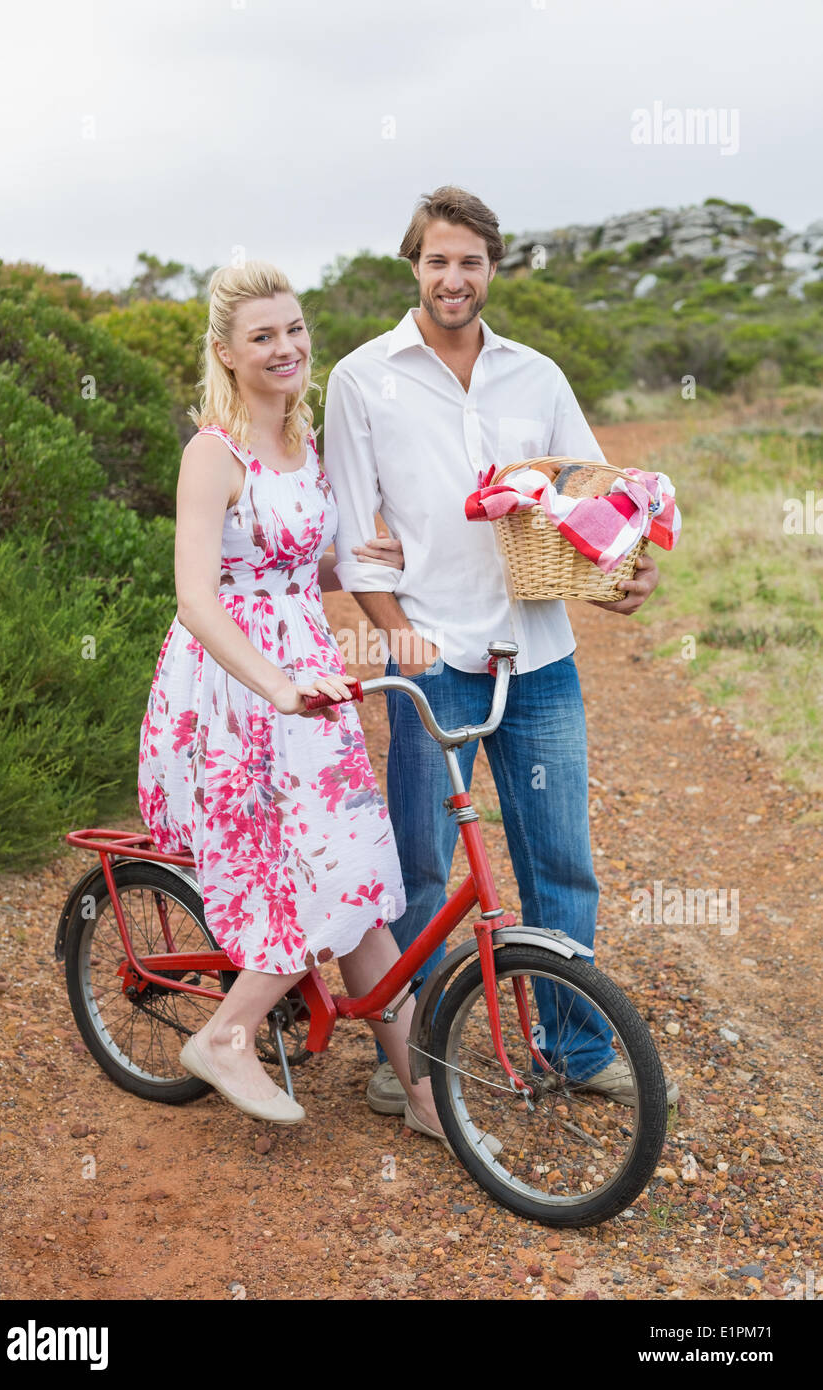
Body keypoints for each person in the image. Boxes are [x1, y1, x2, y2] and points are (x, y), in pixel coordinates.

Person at [322, 185, 679, 1116]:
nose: (454, 278)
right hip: (431, 657)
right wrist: (394, 628)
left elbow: (605, 504)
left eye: (470, 262)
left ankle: (575, 1044)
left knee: (561, 860)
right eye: (438, 260)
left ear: (491, 269)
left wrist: (632, 574)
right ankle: (409, 1056)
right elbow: (357, 537)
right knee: (422, 866)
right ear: (415, 265)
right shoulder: (363, 379)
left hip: (541, 657)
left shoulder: (538, 376)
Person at [136, 260, 452, 1143]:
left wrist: (401, 569)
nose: (286, 348)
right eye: (263, 337)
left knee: (357, 872)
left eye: (294, 330)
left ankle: (427, 1100)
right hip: (240, 692)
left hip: (311, 679)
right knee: (319, 872)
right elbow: (197, 596)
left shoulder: (302, 443)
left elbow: (292, 566)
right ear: (227, 354)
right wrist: (274, 687)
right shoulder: (213, 451)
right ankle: (225, 1036)